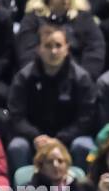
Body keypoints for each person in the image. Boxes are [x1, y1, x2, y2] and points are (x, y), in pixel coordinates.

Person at [6, 23, 99, 171]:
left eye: (58, 45)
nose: (53, 51)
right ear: (39, 49)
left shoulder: (81, 78)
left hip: (70, 138)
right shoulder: (24, 78)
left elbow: (86, 118)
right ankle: (25, 186)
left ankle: (81, 185)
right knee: (17, 147)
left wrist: (60, 138)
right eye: (48, 46)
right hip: (34, 139)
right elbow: (16, 116)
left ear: (67, 48)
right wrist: (36, 136)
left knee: (83, 146)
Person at [16, 0, 106, 79]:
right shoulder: (32, 19)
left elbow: (95, 49)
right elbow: (27, 52)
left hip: (77, 78)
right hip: (39, 77)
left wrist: (84, 77)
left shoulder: (84, 19)